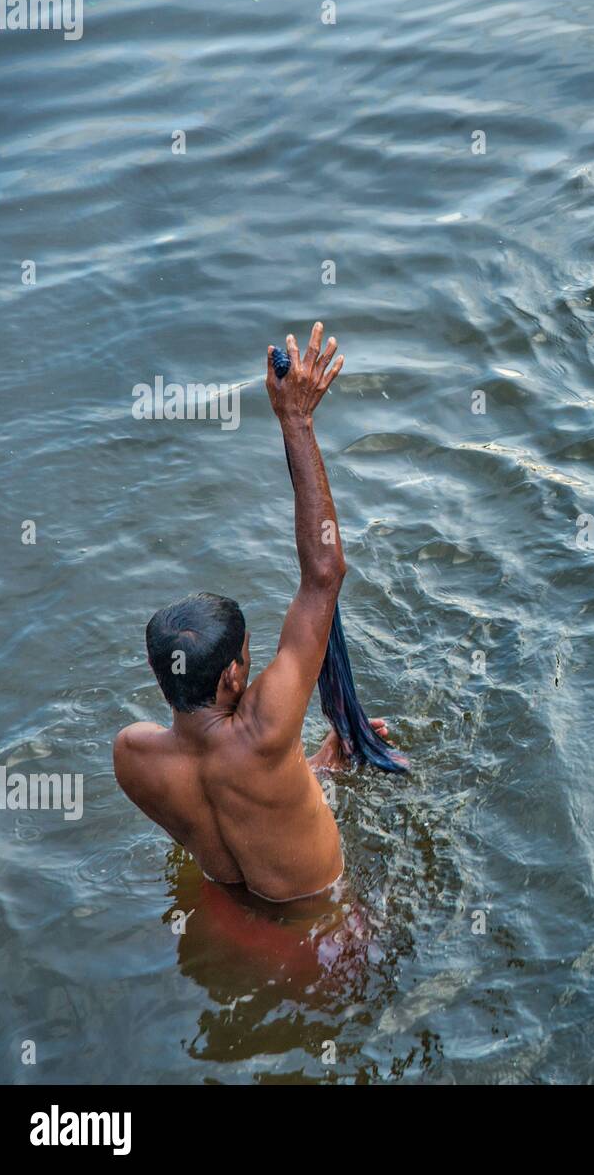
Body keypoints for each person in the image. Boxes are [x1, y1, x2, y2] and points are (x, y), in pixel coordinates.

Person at [113, 322, 389, 903]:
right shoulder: (264, 731)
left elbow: (238, 810)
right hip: (322, 929)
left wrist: (311, 769)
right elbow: (324, 576)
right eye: (245, 656)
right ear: (235, 677)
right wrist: (296, 420)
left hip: (231, 916)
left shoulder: (134, 757)